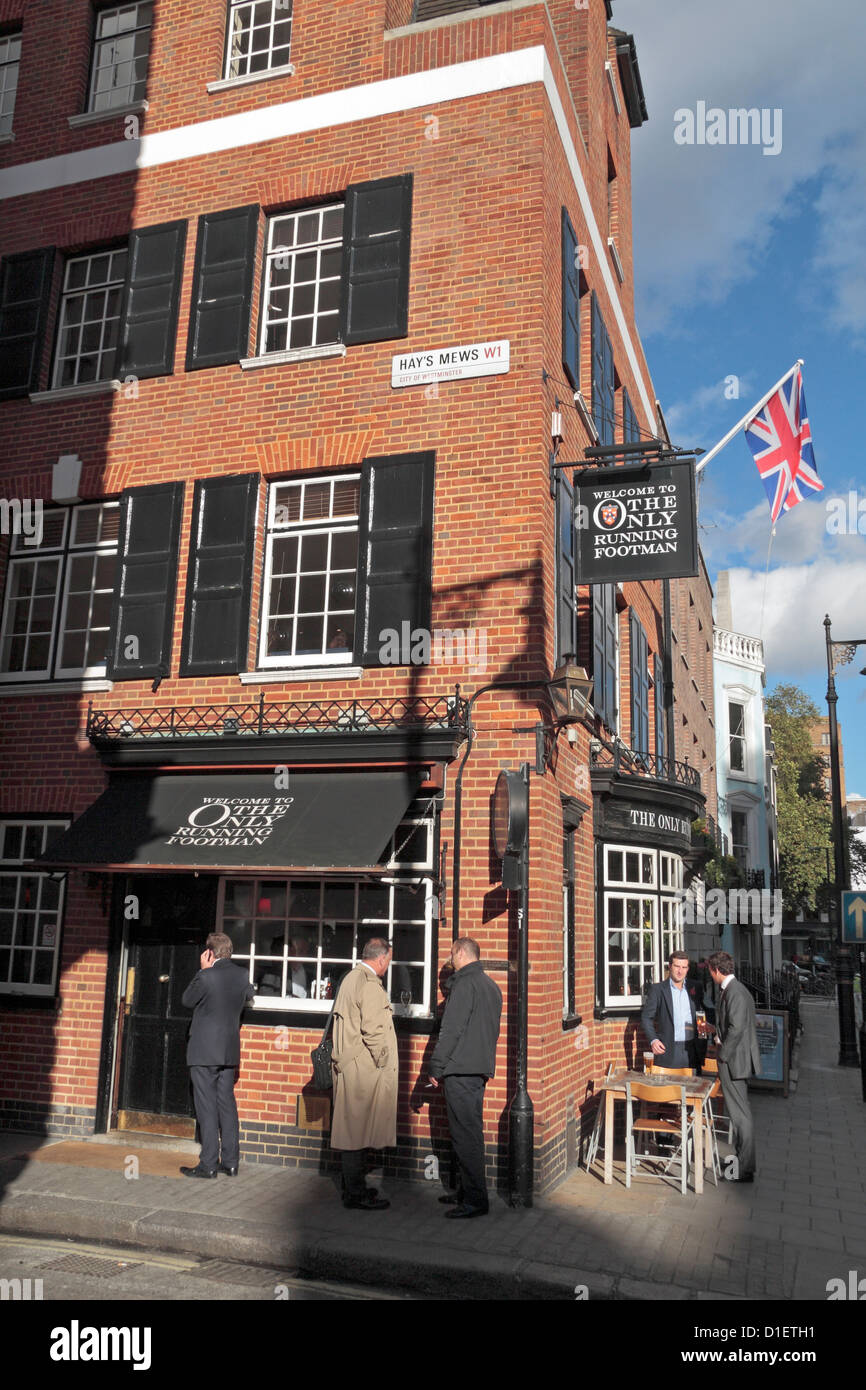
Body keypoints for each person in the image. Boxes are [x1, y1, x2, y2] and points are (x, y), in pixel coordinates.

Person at [428, 937, 502, 1219]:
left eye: (451, 954)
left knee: (465, 1136)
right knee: (469, 1133)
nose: (451, 960)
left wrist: (436, 1066)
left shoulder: (463, 986)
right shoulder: (491, 987)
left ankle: (474, 1200)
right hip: (479, 1070)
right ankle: (465, 1192)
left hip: (460, 1070)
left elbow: (452, 1030)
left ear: (461, 953)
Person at [330, 938, 397, 1211]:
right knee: (355, 1134)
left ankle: (352, 1188)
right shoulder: (369, 985)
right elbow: (374, 1030)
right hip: (362, 1070)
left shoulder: (351, 978)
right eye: (389, 961)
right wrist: (384, 1061)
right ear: (380, 960)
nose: (388, 965)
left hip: (351, 1066)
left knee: (352, 1131)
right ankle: (355, 1194)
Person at [180, 932, 253, 1179]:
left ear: (209, 953)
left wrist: (202, 970)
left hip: (204, 1050)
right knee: (227, 1104)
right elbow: (248, 998)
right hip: (229, 1049)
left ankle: (208, 1164)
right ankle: (231, 1162)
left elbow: (187, 1000)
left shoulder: (206, 976)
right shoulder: (242, 975)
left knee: (206, 1106)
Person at [707, 949, 761, 1183]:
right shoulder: (735, 990)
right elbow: (732, 1025)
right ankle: (742, 1162)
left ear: (717, 970)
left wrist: (723, 1055)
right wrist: (715, 1032)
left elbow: (737, 1028)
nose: (711, 976)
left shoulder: (734, 992)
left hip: (734, 1061)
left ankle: (745, 1167)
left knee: (740, 1115)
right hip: (735, 1058)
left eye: (711, 972)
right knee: (740, 1113)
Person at [640, 950, 700, 1070]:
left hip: (692, 1049)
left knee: (693, 1088)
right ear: (670, 966)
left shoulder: (695, 987)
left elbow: (704, 1011)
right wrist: (653, 1040)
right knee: (669, 1087)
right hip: (668, 1049)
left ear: (688, 969)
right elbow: (646, 1018)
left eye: (684, 967)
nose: (680, 971)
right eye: (677, 966)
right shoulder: (658, 989)